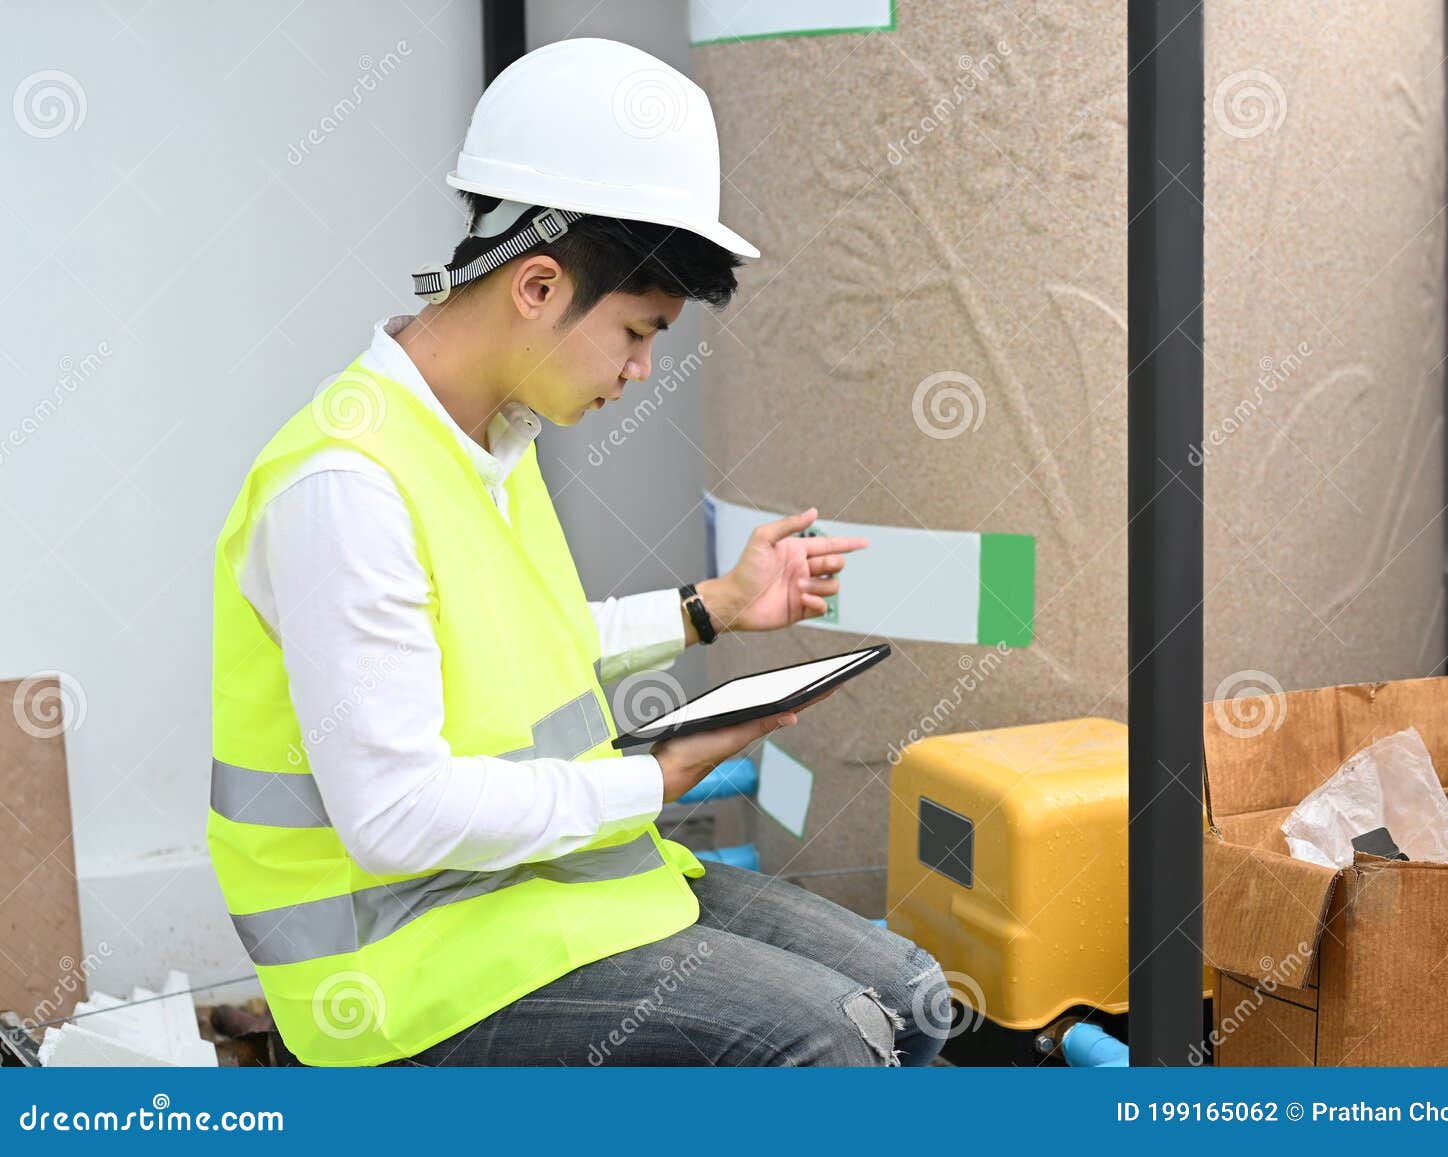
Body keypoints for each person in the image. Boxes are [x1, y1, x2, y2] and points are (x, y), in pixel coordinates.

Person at [206, 37, 951, 1067]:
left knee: (912, 995)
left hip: (533, 884)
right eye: (637, 332)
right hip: (400, 964)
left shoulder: (491, 441)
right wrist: (656, 777)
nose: (642, 370)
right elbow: (396, 817)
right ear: (539, 287)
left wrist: (714, 606)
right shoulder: (346, 486)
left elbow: (515, 647)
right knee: (828, 1041)